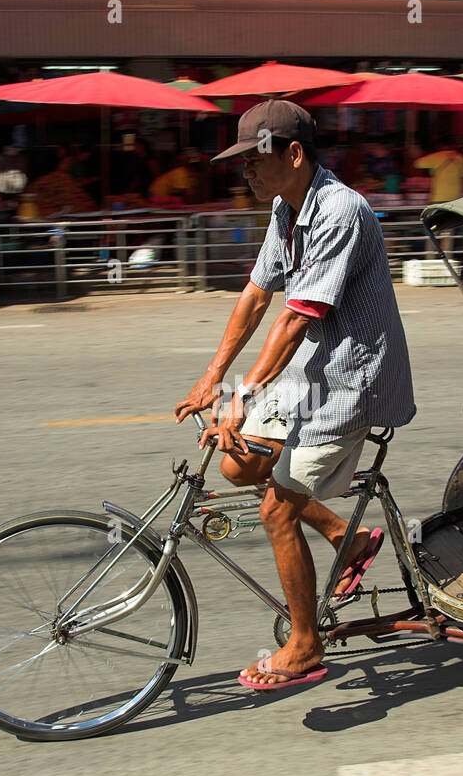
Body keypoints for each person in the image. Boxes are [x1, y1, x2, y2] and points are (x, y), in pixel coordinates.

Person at [174, 100, 416, 689]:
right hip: (311, 370)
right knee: (237, 464)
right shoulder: (288, 209)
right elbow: (258, 296)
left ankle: (305, 646)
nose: (245, 175)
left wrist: (238, 398)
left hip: (352, 382)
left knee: (274, 508)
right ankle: (346, 534)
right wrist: (214, 375)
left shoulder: (340, 212)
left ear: (295, 154)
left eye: (254, 161)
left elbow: (294, 319)